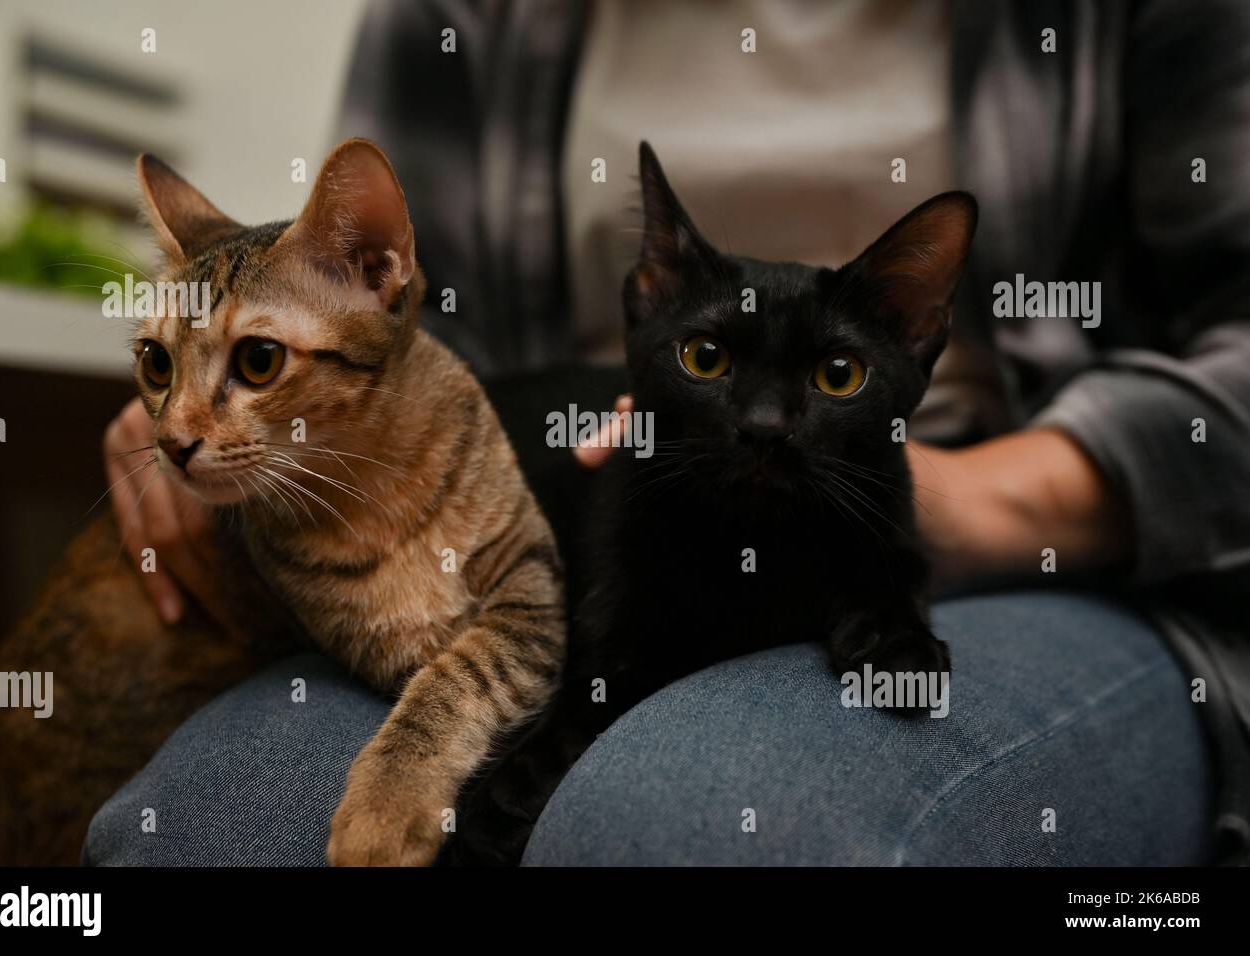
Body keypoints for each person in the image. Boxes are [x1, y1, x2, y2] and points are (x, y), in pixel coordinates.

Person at [84, 0, 1250, 865]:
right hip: (577, 525)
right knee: (193, 831)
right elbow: (383, 328)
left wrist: (960, 507)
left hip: (996, 538)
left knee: (684, 827)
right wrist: (236, 398)